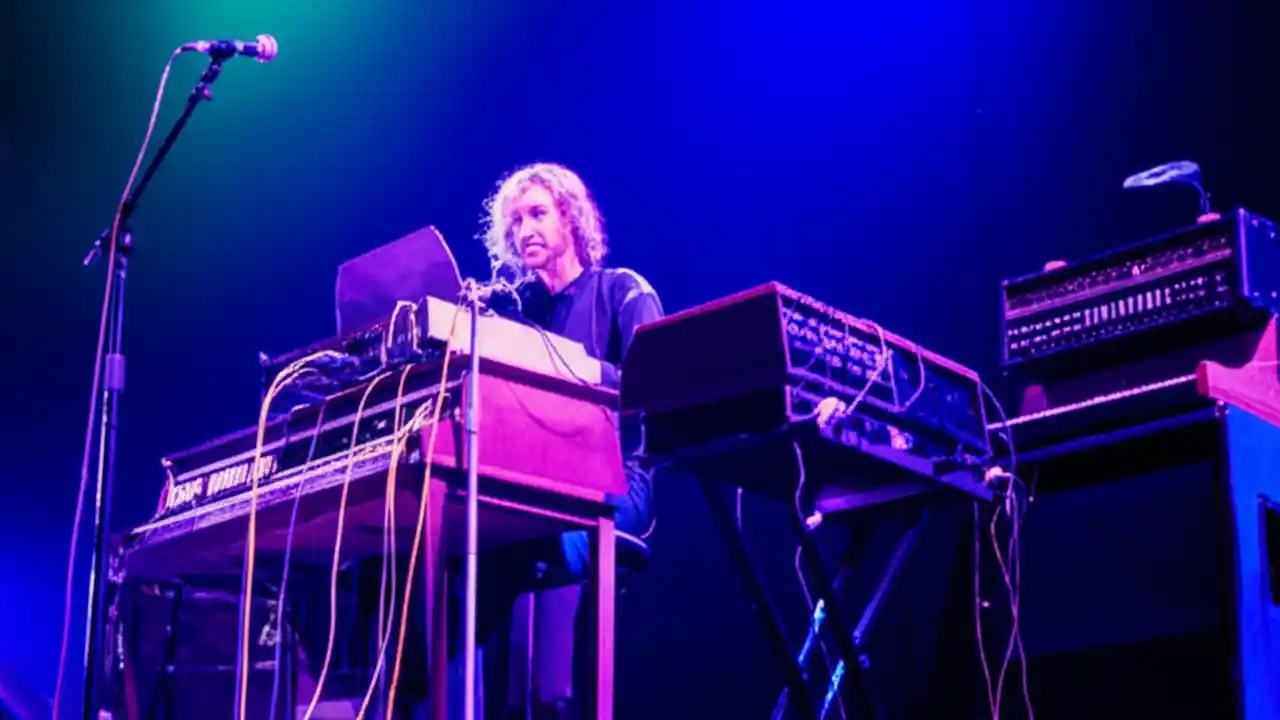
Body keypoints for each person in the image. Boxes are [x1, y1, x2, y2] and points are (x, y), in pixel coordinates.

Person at [475, 161, 663, 719]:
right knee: (455, 553)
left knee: (514, 553)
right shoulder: (516, 315)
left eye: (538, 214)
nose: (525, 230)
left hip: (618, 489)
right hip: (537, 493)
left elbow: (659, 381)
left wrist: (577, 372)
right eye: (515, 223)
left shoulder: (620, 290)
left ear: (570, 219)